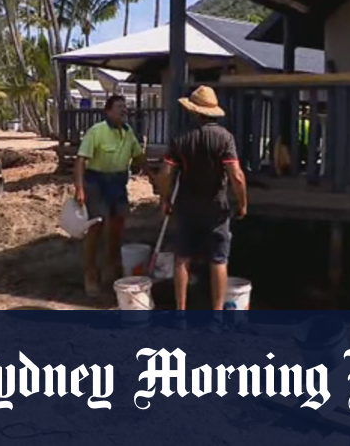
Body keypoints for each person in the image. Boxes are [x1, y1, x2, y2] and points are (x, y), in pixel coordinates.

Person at [158, 86, 248, 328]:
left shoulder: (181, 138)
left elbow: (166, 173)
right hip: (216, 207)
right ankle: (216, 316)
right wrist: (242, 202)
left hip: (186, 204)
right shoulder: (225, 138)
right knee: (218, 260)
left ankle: (180, 314)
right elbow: (237, 176)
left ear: (194, 112)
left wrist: (165, 199)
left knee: (182, 258)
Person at [73, 94, 146, 297]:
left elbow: (139, 157)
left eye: (124, 107)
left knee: (117, 228)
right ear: (108, 111)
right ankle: (90, 275)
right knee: (95, 229)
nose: (123, 110)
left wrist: (154, 178)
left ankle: (112, 270)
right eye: (118, 107)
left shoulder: (128, 132)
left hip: (118, 184)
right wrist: (79, 188)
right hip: (96, 183)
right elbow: (80, 161)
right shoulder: (96, 131)